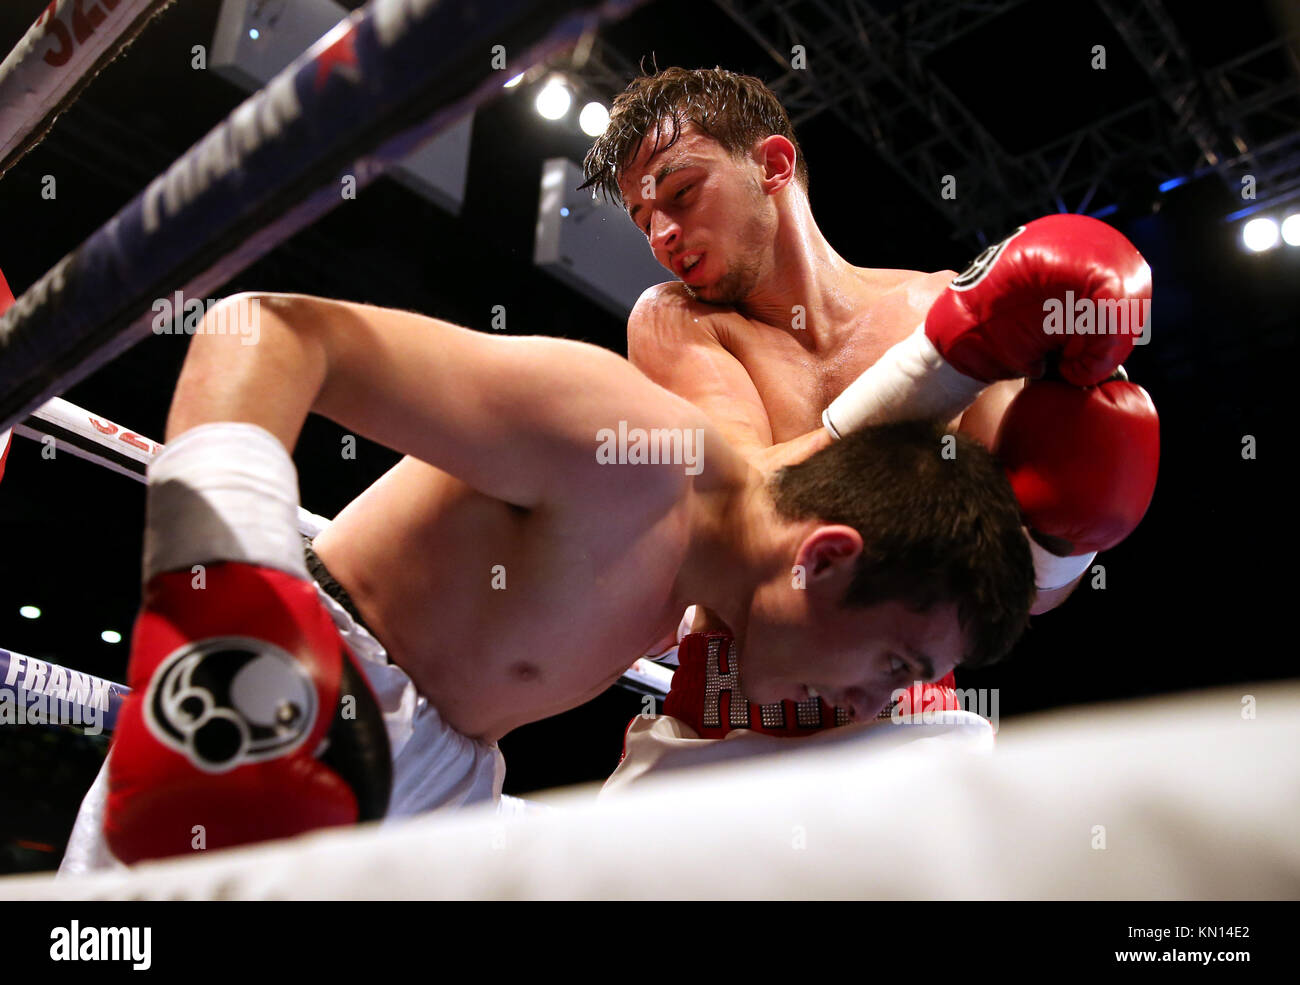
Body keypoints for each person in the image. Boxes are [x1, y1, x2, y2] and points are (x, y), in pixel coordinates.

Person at [81, 239, 1138, 861]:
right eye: (893, 665)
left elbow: (880, 447)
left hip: (449, 786)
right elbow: (268, 328)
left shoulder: (772, 514)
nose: (870, 700)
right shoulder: (613, 447)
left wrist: (977, 348)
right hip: (303, 684)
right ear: (820, 561)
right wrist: (220, 606)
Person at [579, 68, 1159, 754]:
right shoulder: (678, 320)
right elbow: (738, 508)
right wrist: (936, 368)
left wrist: (1070, 537)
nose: (663, 235)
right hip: (723, 714)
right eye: (646, 220)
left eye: (680, 194)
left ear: (773, 164)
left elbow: (1021, 592)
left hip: (905, 714)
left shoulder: (944, 309)